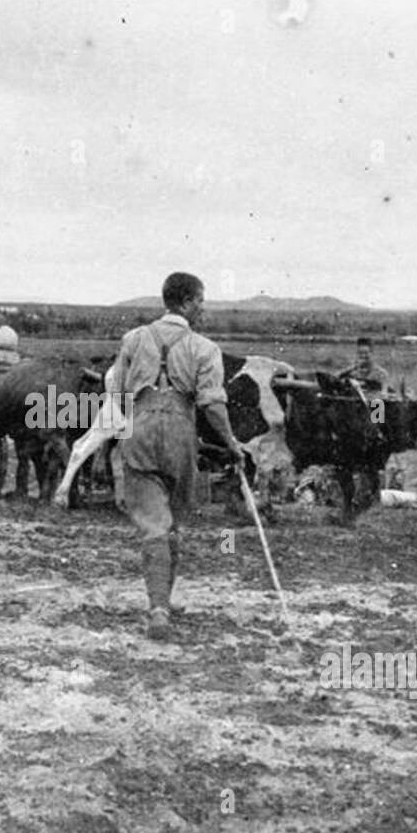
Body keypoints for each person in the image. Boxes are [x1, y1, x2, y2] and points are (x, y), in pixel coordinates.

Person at [110, 272, 245, 640]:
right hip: (182, 433)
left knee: (154, 523)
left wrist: (136, 421)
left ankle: (159, 607)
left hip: (139, 428)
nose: (203, 308)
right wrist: (231, 443)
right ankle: (161, 604)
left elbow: (118, 392)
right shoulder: (205, 347)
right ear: (186, 302)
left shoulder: (133, 339)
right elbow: (212, 405)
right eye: (200, 301)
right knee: (173, 521)